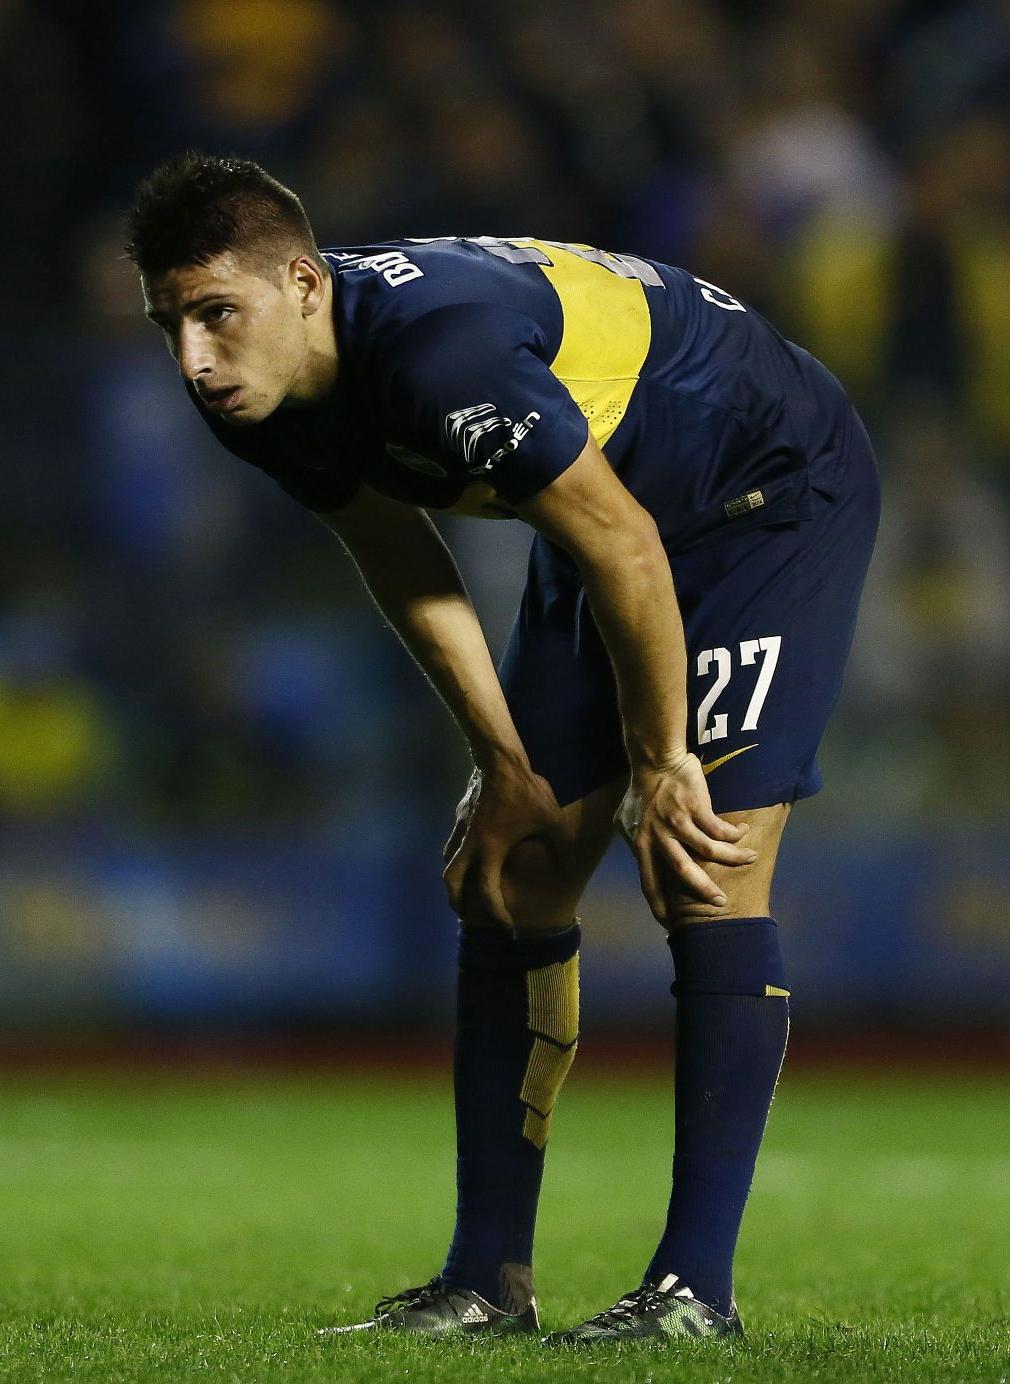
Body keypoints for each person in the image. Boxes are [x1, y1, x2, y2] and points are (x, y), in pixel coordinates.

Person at [125, 153, 879, 1345]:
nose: (194, 358)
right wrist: (502, 761)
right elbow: (400, 554)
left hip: (758, 490)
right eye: (171, 323)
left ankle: (692, 1294)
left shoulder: (443, 360)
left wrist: (663, 754)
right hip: (611, 511)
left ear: (305, 286)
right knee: (506, 868)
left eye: (218, 314)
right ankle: (487, 1281)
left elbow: (628, 547)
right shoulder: (257, 393)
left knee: (703, 859)